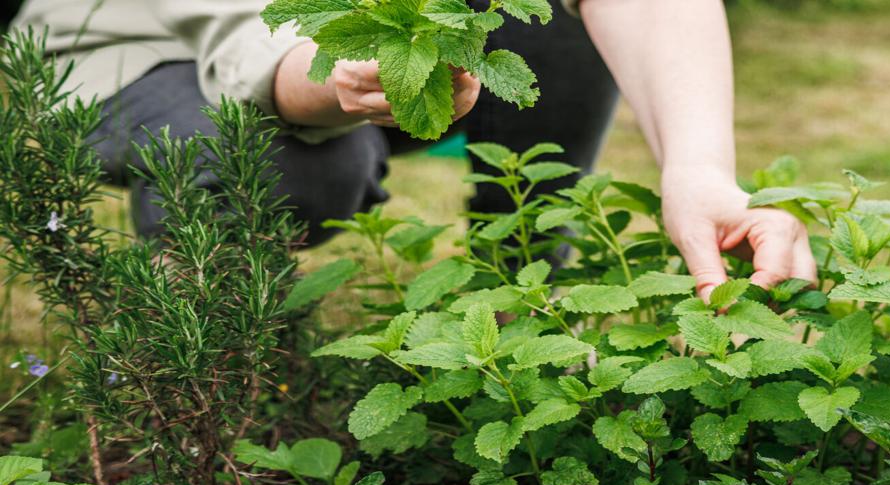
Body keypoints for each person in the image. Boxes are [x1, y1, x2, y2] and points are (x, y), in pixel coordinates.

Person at [8, 0, 815, 299]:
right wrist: (350, 87)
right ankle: (207, 360)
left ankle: (525, 279)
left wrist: (701, 170)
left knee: (541, 20)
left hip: (384, 41)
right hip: (132, 43)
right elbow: (252, 36)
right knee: (292, 170)